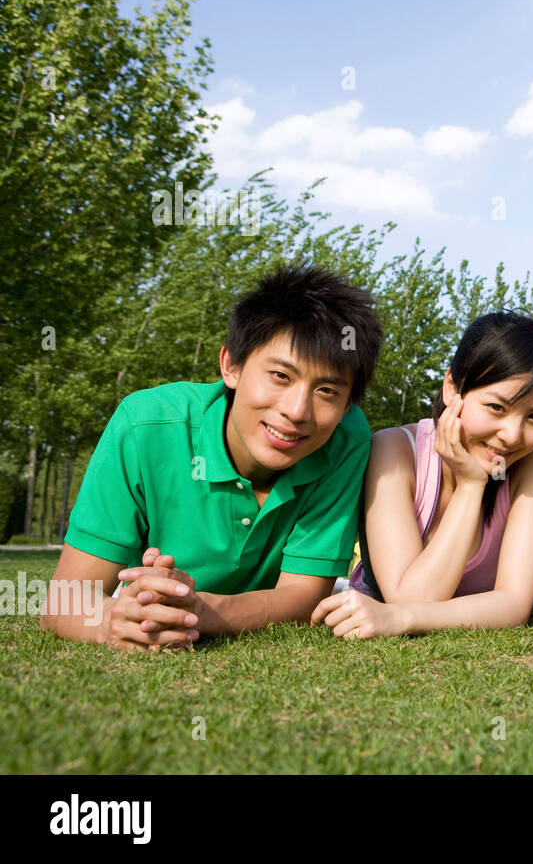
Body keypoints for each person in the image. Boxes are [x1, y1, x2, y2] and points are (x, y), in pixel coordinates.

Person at [41, 264, 382, 651]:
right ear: (230, 366)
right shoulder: (144, 426)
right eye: (280, 376)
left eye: (326, 390)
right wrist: (112, 622)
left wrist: (198, 611)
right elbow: (64, 601)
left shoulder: (345, 437)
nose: (297, 411)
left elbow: (303, 593)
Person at [310, 312, 533, 637]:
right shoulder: (395, 451)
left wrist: (400, 619)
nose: (512, 435)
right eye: (497, 408)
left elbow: (515, 603)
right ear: (452, 389)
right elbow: (413, 597)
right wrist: (471, 487)